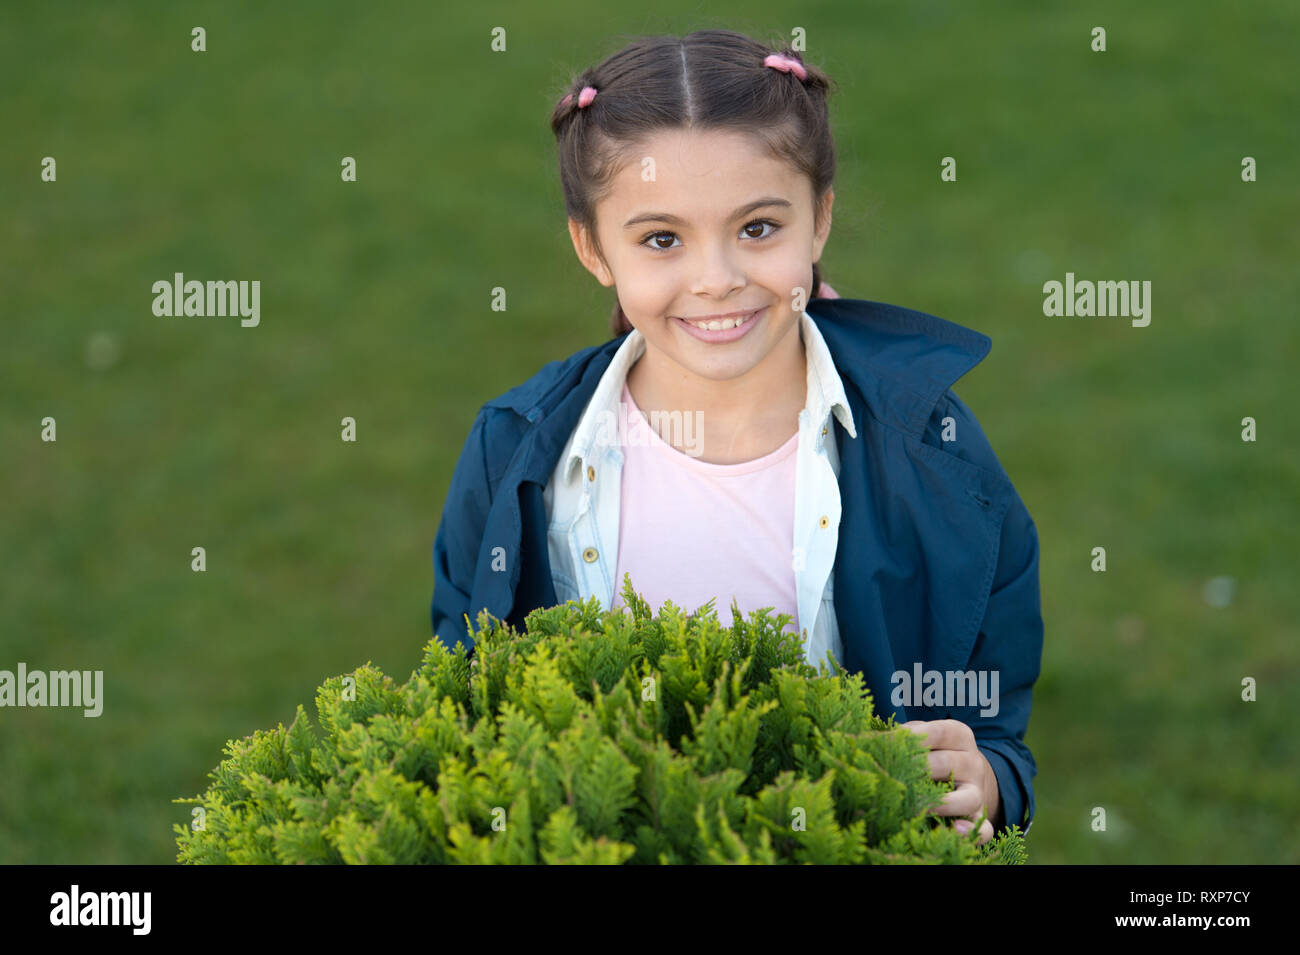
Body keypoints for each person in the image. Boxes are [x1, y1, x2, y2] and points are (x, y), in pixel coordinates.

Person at [431, 29, 1043, 843]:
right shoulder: (514, 451)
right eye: (661, 239)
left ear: (819, 220)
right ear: (592, 247)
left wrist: (992, 779)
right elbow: (461, 699)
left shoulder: (934, 453)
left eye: (758, 228)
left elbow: (994, 721)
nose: (717, 277)